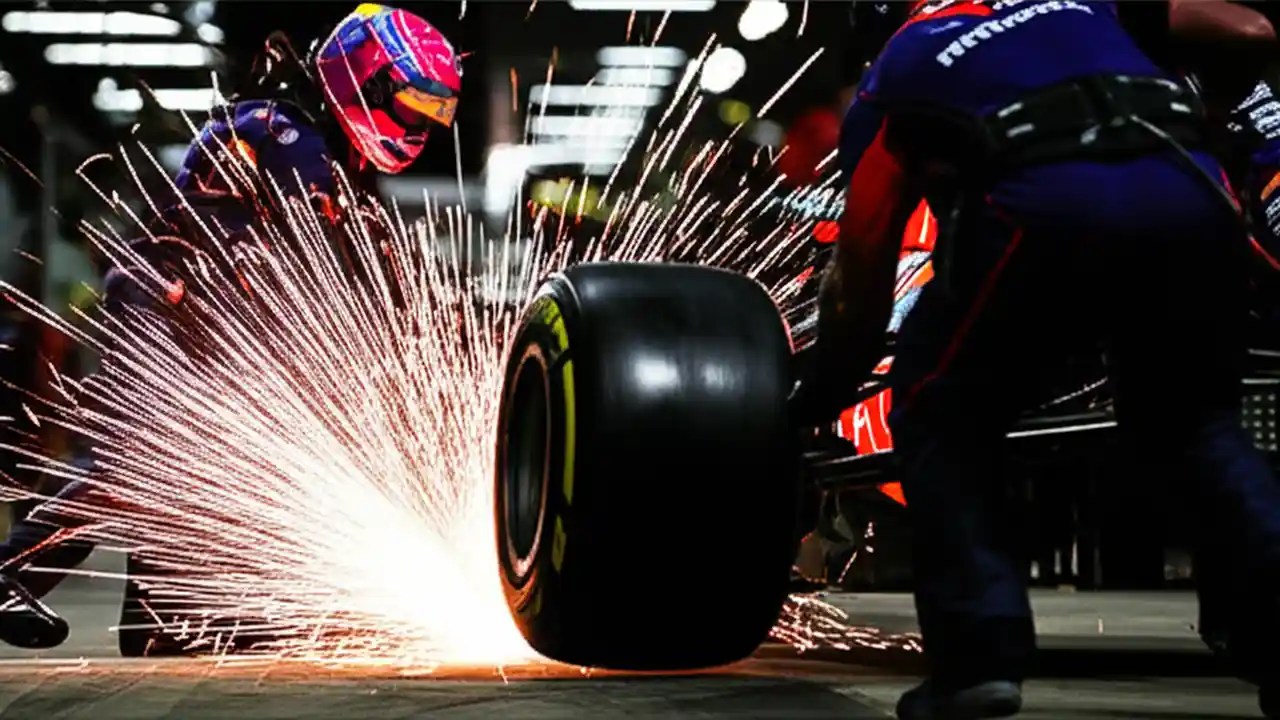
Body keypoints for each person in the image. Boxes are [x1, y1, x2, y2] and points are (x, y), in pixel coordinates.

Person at [792, 1, 1280, 718]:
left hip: (1046, 206)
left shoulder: (901, 64)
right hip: (1191, 195)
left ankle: (975, 662)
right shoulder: (1089, 6)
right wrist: (1205, 116)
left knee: (941, 412)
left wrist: (814, 398)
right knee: (1195, 427)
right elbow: (1253, 31)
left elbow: (863, 274)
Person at [0, 2, 462, 655]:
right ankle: (10, 571)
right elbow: (312, 269)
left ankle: (162, 617)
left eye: (430, 117)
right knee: (146, 452)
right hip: (164, 302)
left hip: (210, 316)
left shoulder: (328, 154)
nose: (416, 128)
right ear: (366, 78)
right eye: (411, 108)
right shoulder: (285, 136)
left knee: (213, 462)